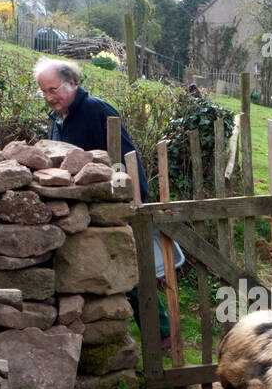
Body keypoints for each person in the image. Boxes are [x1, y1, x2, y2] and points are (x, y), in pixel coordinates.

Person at [33, 57, 183, 353]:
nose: (49, 98)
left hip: (114, 207)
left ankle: (162, 336)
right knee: (107, 274)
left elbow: (126, 158)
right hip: (81, 214)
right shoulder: (58, 120)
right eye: (44, 92)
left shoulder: (97, 111)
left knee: (134, 272)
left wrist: (131, 199)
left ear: (72, 83)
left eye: (54, 90)